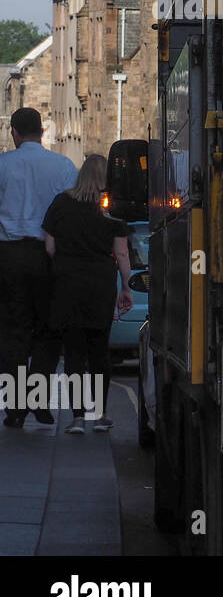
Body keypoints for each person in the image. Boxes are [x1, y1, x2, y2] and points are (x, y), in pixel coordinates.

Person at [42, 154, 132, 434]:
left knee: (74, 354)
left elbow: (49, 247)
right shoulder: (111, 209)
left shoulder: (61, 202)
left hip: (67, 283)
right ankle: (100, 414)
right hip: (100, 284)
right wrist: (126, 286)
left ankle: (77, 417)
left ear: (81, 175)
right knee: (98, 352)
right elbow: (121, 252)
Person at [0, 108, 78, 427]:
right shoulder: (63, 166)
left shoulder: (3, 165)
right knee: (49, 329)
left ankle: (16, 407)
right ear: (42, 131)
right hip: (49, 253)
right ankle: (38, 396)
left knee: (12, 331)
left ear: (14, 133)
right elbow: (72, 214)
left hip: (8, 254)